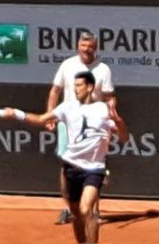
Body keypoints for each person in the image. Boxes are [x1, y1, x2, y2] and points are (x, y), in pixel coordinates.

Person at [4, 71, 130, 244]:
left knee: (86, 210)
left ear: (90, 87)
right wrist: (16, 113)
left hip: (94, 169)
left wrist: (119, 122)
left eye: (79, 86)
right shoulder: (67, 107)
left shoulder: (103, 110)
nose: (75, 90)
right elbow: (41, 119)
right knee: (75, 213)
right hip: (70, 167)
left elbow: (124, 138)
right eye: (74, 86)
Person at [45, 31, 118, 225]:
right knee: (66, 165)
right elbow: (55, 90)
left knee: (95, 166)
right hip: (68, 122)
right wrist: (50, 114)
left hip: (95, 124)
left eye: (90, 46)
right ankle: (69, 208)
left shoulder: (103, 70)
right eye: (83, 46)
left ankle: (94, 210)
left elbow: (110, 97)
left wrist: (112, 116)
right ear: (78, 46)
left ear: (96, 48)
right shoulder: (67, 65)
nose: (86, 50)